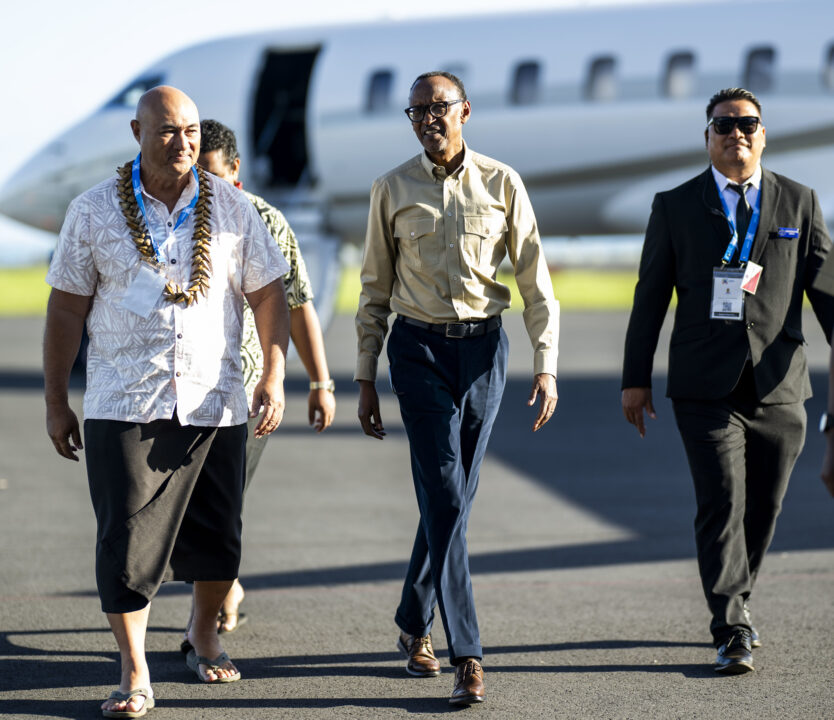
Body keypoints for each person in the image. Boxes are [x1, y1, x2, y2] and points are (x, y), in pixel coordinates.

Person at [43, 86, 291, 717]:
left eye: (191, 132)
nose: (183, 143)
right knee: (125, 541)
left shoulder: (232, 206)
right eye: (168, 131)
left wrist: (275, 373)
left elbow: (269, 293)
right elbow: (66, 308)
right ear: (137, 132)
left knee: (219, 538)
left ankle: (203, 635)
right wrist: (56, 400)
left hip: (215, 400)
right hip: (125, 401)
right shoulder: (93, 210)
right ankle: (134, 670)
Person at [355, 71, 559, 705]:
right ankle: (467, 653)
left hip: (484, 352)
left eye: (438, 108)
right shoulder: (391, 188)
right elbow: (374, 289)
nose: (427, 120)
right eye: (416, 112)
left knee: (454, 499)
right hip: (417, 350)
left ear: (464, 110)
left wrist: (546, 363)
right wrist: (364, 375)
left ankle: (412, 618)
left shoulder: (503, 182)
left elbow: (535, 280)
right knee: (445, 490)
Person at [622, 87, 834, 674]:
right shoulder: (675, 205)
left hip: (779, 384)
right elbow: (649, 297)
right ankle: (731, 625)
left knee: (764, 505)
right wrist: (635, 378)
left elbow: (827, 294)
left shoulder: (800, 202)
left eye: (748, 124)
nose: (736, 133)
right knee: (721, 500)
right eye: (724, 125)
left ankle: (739, 598)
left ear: (763, 135)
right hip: (704, 385)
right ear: (707, 138)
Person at [180, 118, 335, 639]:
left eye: (212, 175)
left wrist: (320, 383)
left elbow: (299, 305)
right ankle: (225, 585)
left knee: (219, 505)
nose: (202, 186)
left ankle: (202, 620)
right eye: (194, 174)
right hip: (181, 389)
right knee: (185, 508)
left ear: (236, 171)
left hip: (246, 392)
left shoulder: (265, 219)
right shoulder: (171, 218)